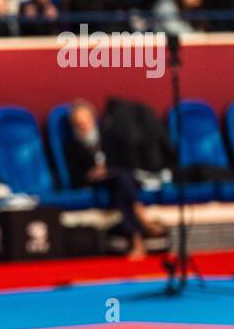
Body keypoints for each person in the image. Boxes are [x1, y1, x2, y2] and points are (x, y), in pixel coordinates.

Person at [63, 99, 164, 260]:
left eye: (86, 121)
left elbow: (124, 162)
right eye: (79, 123)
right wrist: (93, 173)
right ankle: (141, 217)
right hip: (96, 182)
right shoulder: (71, 146)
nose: (83, 125)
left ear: (93, 119)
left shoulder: (108, 137)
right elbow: (76, 175)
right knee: (123, 180)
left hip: (116, 179)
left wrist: (108, 168)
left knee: (122, 181)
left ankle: (136, 240)